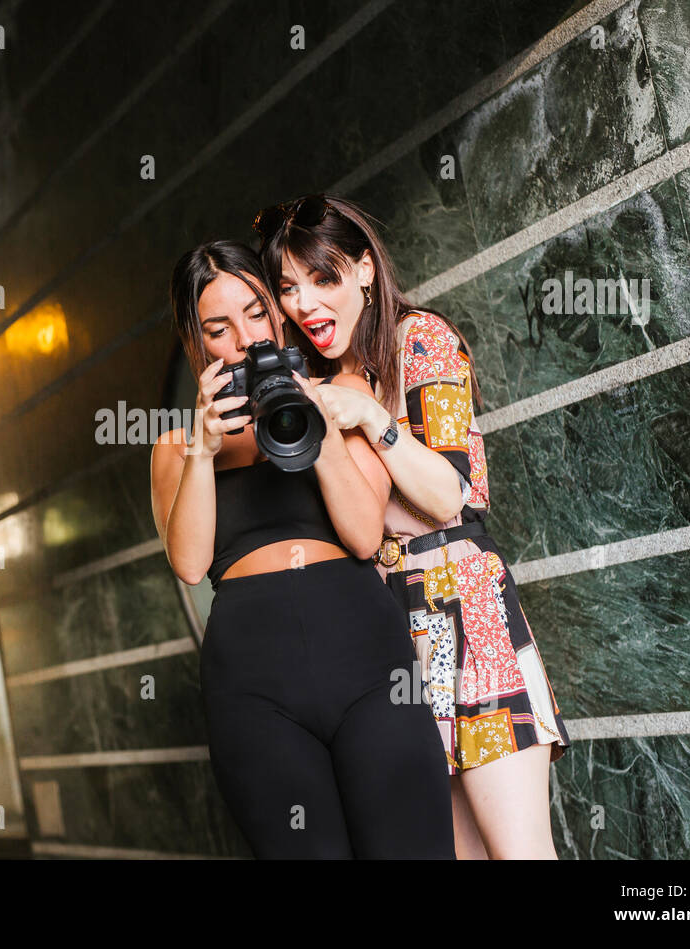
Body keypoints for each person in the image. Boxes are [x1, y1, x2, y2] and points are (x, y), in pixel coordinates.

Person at [255, 192, 570, 859]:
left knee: (520, 852)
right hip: (394, 643)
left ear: (365, 270)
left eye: (324, 277)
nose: (306, 303)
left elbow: (453, 494)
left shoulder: (417, 339)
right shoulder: (311, 387)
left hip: (470, 619)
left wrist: (371, 418)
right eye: (288, 287)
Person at [150, 239, 455, 859]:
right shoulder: (176, 447)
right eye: (219, 328)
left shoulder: (340, 398)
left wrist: (312, 415)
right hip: (253, 688)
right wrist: (204, 452)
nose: (244, 339)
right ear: (198, 343)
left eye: (257, 313)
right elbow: (188, 564)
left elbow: (366, 535)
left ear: (279, 313)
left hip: (370, 665)